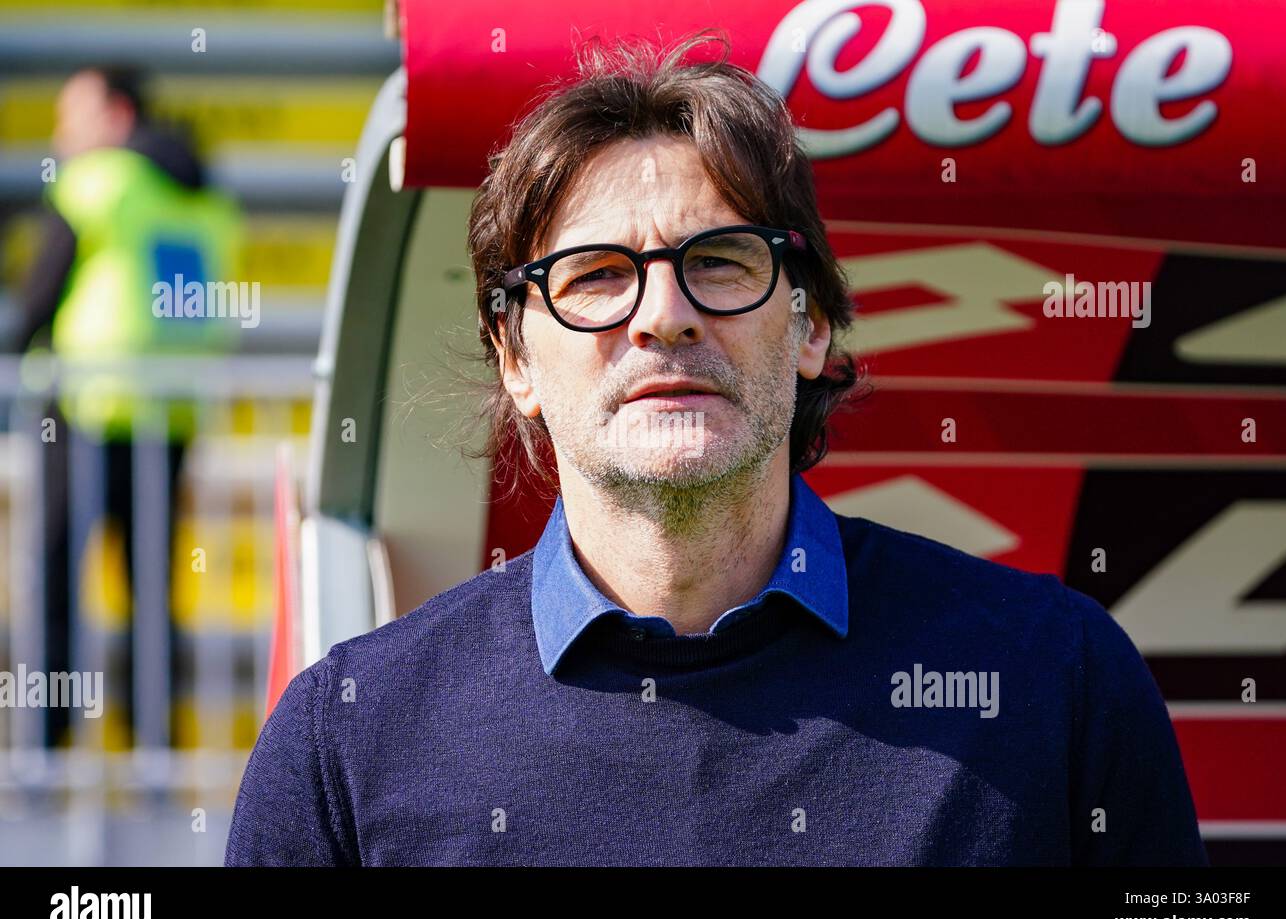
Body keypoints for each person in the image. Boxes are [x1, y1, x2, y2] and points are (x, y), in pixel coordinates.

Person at [226, 32, 1207, 865]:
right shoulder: (344, 739)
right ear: (514, 356)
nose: (664, 315)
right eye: (598, 274)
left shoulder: (1059, 681)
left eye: (721, 262)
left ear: (812, 325)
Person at [17, 65, 242, 747]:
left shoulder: (99, 183)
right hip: (167, 414)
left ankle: (46, 752)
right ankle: (155, 750)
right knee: (152, 589)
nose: (61, 134)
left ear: (116, 117)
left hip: (84, 407)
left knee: (55, 579)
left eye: (72, 116)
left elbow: (37, 295)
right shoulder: (203, 196)